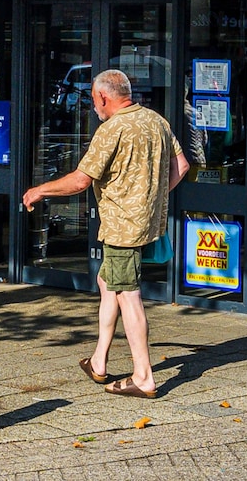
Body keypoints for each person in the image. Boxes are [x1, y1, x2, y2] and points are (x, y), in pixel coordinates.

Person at [23, 69, 189, 399]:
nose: (93, 107)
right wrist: (153, 200)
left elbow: (80, 180)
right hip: (144, 223)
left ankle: (143, 375)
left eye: (93, 100)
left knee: (128, 294)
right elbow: (181, 166)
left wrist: (40, 190)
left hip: (122, 228)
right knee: (106, 281)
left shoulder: (111, 130)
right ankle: (99, 360)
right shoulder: (156, 121)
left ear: (103, 97)